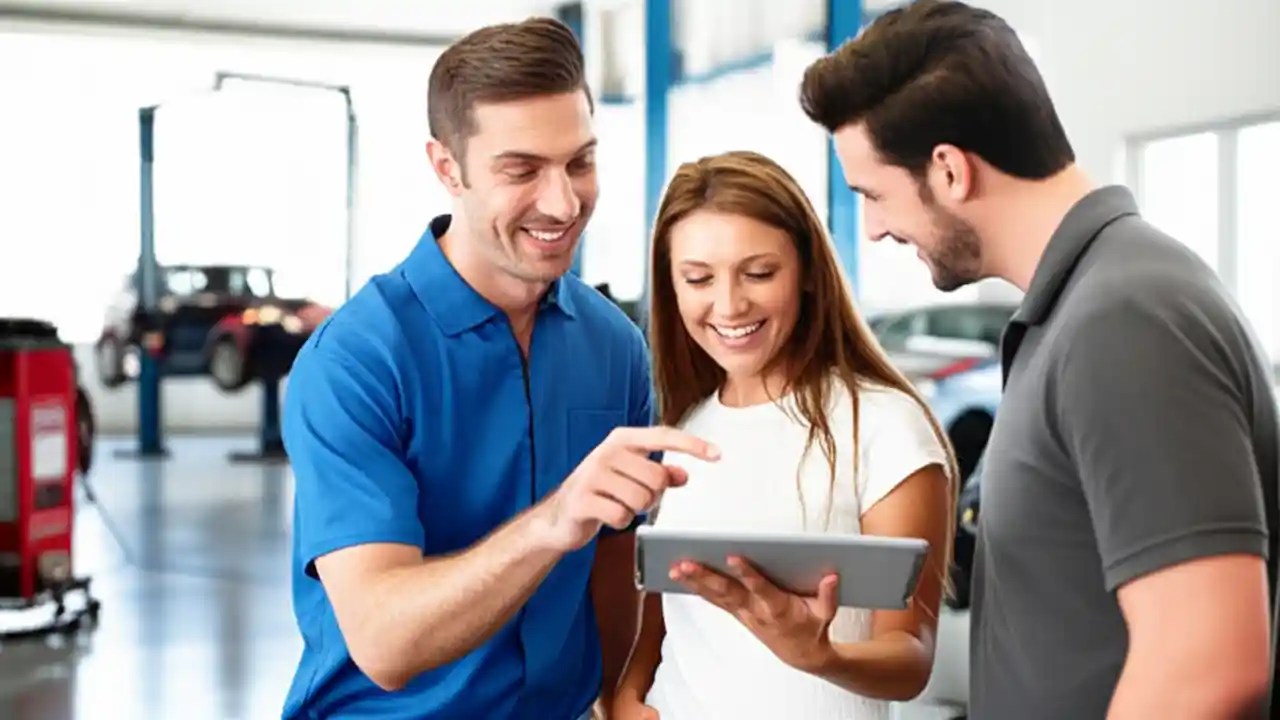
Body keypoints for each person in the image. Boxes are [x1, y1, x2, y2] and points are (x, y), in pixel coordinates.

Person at [800, 1, 1279, 718]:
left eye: (874, 195)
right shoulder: (1082, 308)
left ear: (949, 170)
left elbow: (1207, 664)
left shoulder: (1123, 318)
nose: (872, 229)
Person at [278, 18, 718, 720]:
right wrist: (554, 522)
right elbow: (385, 643)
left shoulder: (613, 345)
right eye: (522, 170)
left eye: (579, 162)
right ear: (446, 168)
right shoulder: (355, 361)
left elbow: (614, 566)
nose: (563, 203)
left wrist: (618, 698)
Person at [610, 150, 959, 720]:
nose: (729, 304)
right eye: (698, 278)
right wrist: (626, 699)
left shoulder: (884, 426)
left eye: (758, 273)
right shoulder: (683, 434)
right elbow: (663, 622)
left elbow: (910, 656)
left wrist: (820, 656)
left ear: (809, 275)